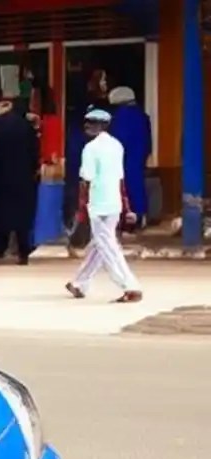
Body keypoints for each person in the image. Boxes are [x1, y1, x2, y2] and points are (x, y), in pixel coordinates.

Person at [66, 109, 142, 303]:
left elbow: (87, 178)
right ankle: (79, 282)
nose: (87, 127)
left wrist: (82, 206)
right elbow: (120, 178)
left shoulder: (90, 148)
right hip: (114, 201)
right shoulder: (117, 145)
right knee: (101, 244)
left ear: (96, 126)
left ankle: (130, 285)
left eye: (90, 124)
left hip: (98, 202)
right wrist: (126, 206)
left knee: (108, 246)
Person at [0, 100, 42, 264]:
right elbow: (34, 151)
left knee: (1, 213)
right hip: (24, 176)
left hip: (1, 175)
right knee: (23, 216)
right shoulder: (26, 127)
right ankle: (23, 251)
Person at [106, 87, 152, 229]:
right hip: (139, 157)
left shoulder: (119, 117)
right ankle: (140, 216)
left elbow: (117, 139)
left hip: (122, 158)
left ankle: (125, 219)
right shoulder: (143, 116)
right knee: (138, 185)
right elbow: (148, 142)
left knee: (123, 187)